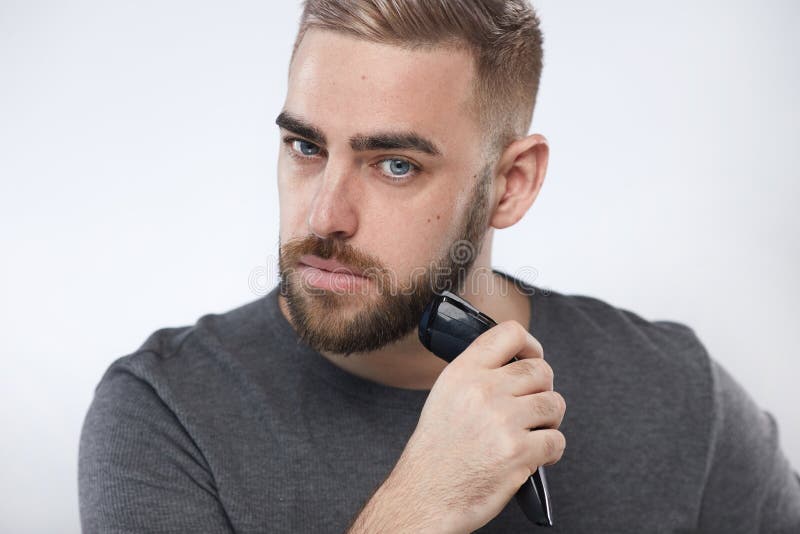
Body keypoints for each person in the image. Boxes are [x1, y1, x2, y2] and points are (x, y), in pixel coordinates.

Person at [78, 1, 800, 532]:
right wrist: (424, 503)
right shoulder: (166, 414)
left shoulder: (675, 390)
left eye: (394, 164)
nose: (324, 216)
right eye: (306, 148)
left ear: (510, 184)